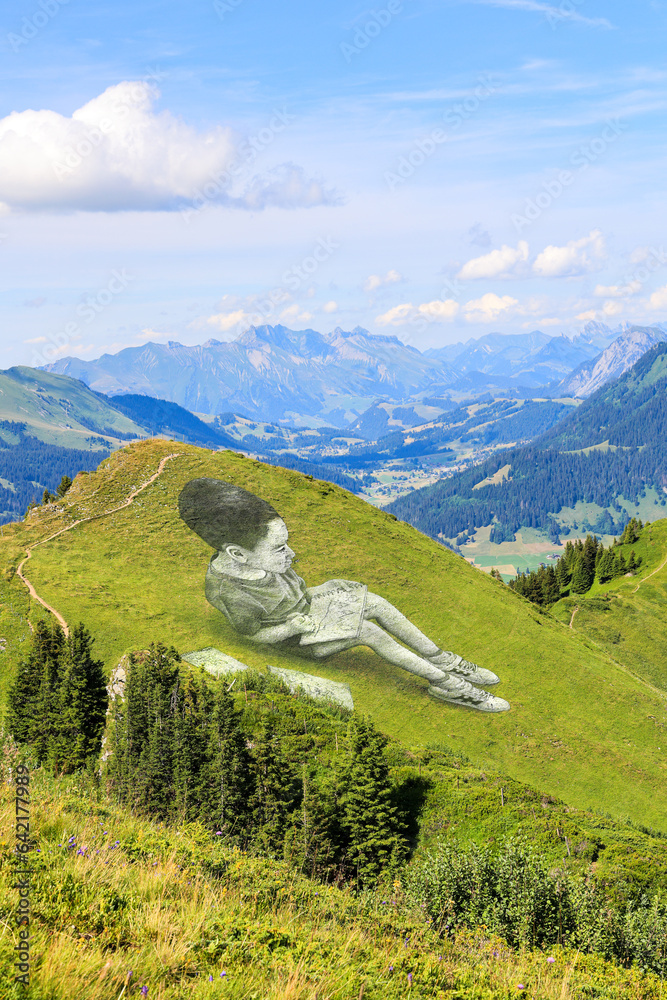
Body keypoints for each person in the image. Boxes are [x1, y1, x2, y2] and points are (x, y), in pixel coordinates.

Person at [178, 478, 509, 713]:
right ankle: (449, 685)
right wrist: (293, 627)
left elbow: (293, 594)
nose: (291, 554)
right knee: (368, 630)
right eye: (280, 548)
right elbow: (256, 634)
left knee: (375, 601)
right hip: (297, 639)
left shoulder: (261, 564)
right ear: (237, 554)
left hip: (306, 611)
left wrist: (325, 590)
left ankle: (441, 658)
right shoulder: (228, 590)